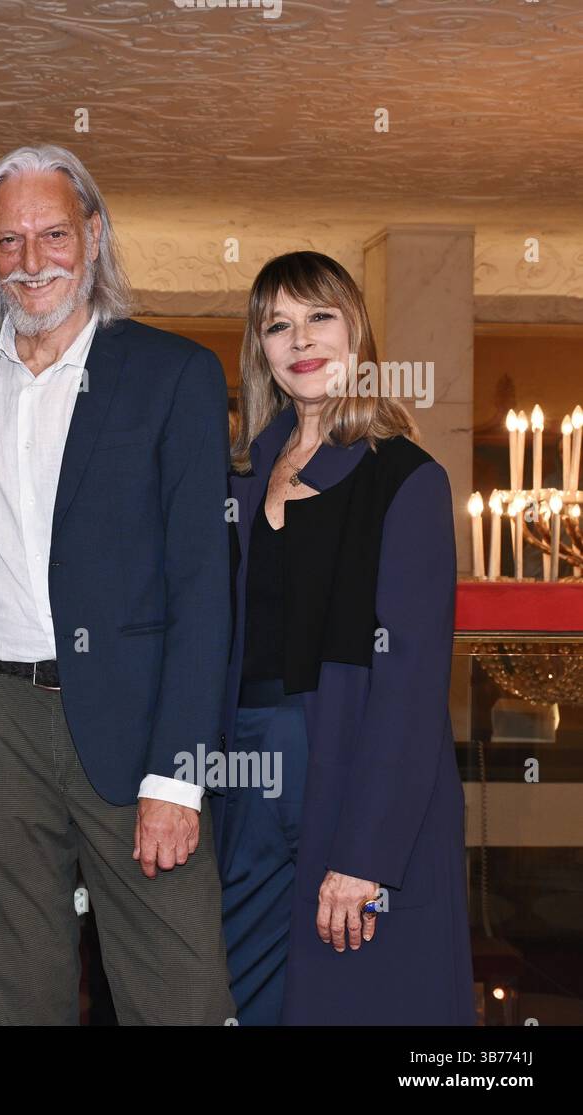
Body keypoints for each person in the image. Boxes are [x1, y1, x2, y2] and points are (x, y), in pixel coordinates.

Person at [0, 144, 234, 1024]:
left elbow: (204, 584)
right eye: (9, 239)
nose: (32, 262)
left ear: (93, 235)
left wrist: (178, 776)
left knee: (181, 995)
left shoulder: (172, 374)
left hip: (133, 727)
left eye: (53, 233)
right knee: (19, 995)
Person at [215, 249, 474, 1025]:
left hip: (351, 762)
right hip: (242, 773)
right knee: (236, 996)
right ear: (259, 350)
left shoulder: (405, 478)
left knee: (351, 1002)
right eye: (278, 325)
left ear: (356, 332)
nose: (301, 340)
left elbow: (411, 687)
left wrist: (365, 856)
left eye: (319, 316)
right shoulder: (239, 476)